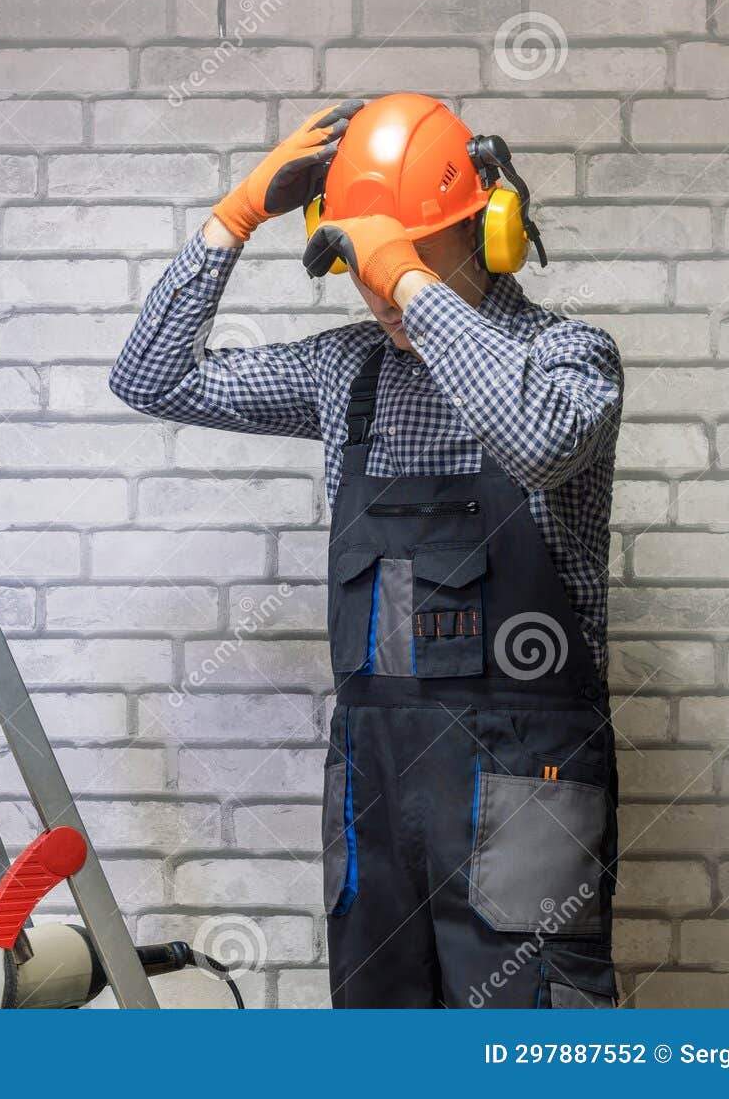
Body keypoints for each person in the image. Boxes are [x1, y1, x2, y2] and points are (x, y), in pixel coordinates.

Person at [110, 94, 624, 1008]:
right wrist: (229, 224)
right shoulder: (344, 373)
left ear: (490, 230)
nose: (379, 285)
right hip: (376, 781)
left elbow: (537, 445)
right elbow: (151, 377)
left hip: (525, 780)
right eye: (366, 261)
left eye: (415, 250)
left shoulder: (569, 359)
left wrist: (411, 286)